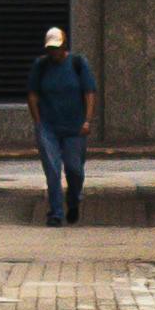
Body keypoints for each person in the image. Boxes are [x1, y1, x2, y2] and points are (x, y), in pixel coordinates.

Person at [30, 21, 94, 223]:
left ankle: (74, 199)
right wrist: (38, 122)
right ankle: (56, 213)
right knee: (52, 170)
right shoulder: (40, 66)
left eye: (57, 48)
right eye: (51, 49)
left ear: (64, 46)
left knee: (74, 169)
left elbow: (89, 93)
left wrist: (87, 120)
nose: (54, 52)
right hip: (49, 126)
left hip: (74, 127)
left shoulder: (78, 63)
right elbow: (32, 94)